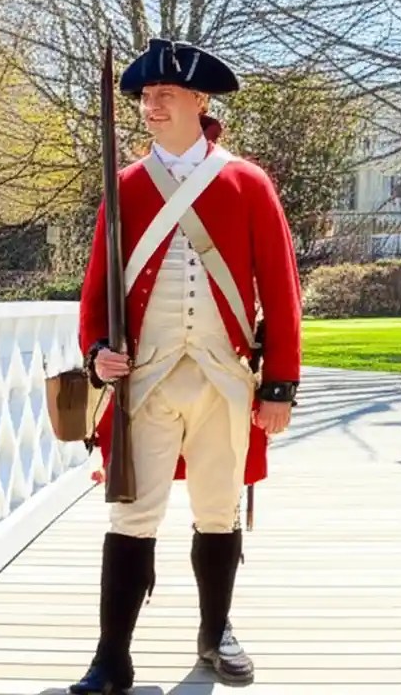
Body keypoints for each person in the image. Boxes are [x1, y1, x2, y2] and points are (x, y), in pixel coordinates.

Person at [71, 38, 303, 694]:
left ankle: (215, 632)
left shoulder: (245, 182)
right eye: (145, 96)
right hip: (144, 383)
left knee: (216, 511)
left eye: (164, 94)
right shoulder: (124, 188)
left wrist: (279, 383)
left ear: (200, 102)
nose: (151, 105)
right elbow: (96, 296)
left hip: (224, 382)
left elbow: (281, 289)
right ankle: (111, 657)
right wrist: (97, 354)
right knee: (131, 517)